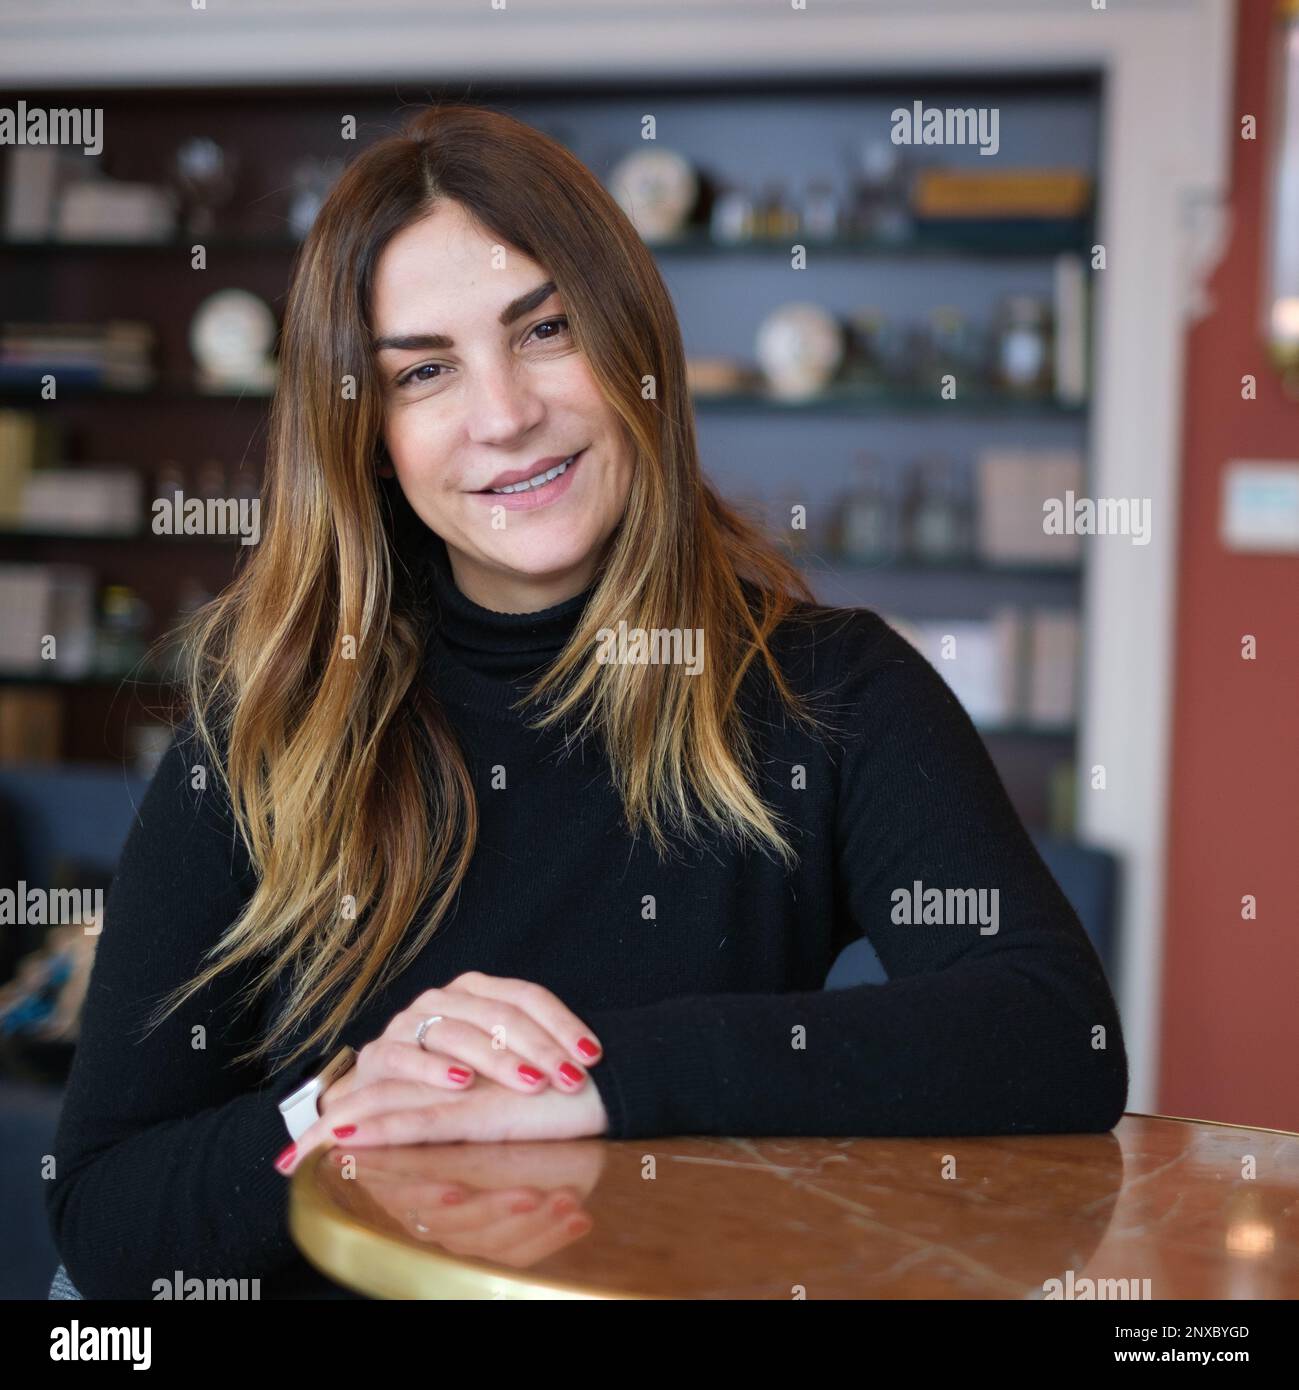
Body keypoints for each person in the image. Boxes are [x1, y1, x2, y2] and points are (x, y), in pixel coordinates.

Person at [46, 104, 1127, 1300]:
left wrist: (607, 1076)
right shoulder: (264, 722)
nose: (505, 413)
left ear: (632, 344)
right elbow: (102, 1212)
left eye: (546, 328)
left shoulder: (828, 690)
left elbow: (1053, 1031)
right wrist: (355, 1103)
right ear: (367, 435)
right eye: (424, 371)